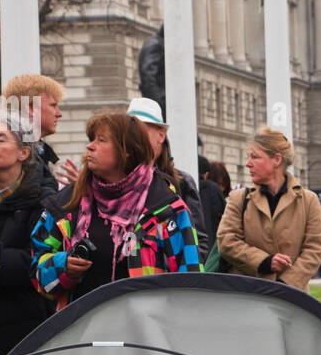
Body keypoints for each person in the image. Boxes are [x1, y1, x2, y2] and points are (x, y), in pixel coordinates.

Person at [31, 110, 201, 310]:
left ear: (127, 150)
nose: (90, 146)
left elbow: (190, 280)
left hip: (145, 333)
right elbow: (36, 274)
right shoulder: (65, 204)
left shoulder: (167, 208)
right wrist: (62, 266)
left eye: (101, 140)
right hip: (82, 332)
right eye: (91, 139)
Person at [216, 127, 321, 293]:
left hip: (293, 298)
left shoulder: (308, 201)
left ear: (276, 159)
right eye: (248, 157)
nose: (248, 163)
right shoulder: (238, 198)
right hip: (248, 294)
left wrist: (285, 284)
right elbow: (226, 241)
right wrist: (264, 262)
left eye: (255, 157)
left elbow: (315, 249)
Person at [125, 98, 208, 258]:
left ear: (161, 135)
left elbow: (199, 240)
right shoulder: (115, 181)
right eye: (129, 131)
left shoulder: (182, 182)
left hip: (168, 278)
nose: (133, 139)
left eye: (140, 131)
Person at [0, 113, 50, 355]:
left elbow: (40, 260)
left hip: (22, 331)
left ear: (23, 153)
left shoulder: (44, 202)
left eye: (0, 139)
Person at [0, 73, 68, 194]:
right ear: (31, 108)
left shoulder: (41, 152)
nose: (59, 113)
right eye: (53, 105)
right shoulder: (10, 158)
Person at [197, 156, 227, 251]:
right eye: (220, 184)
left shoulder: (183, 185)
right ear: (206, 174)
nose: (221, 188)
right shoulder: (211, 189)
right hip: (211, 247)